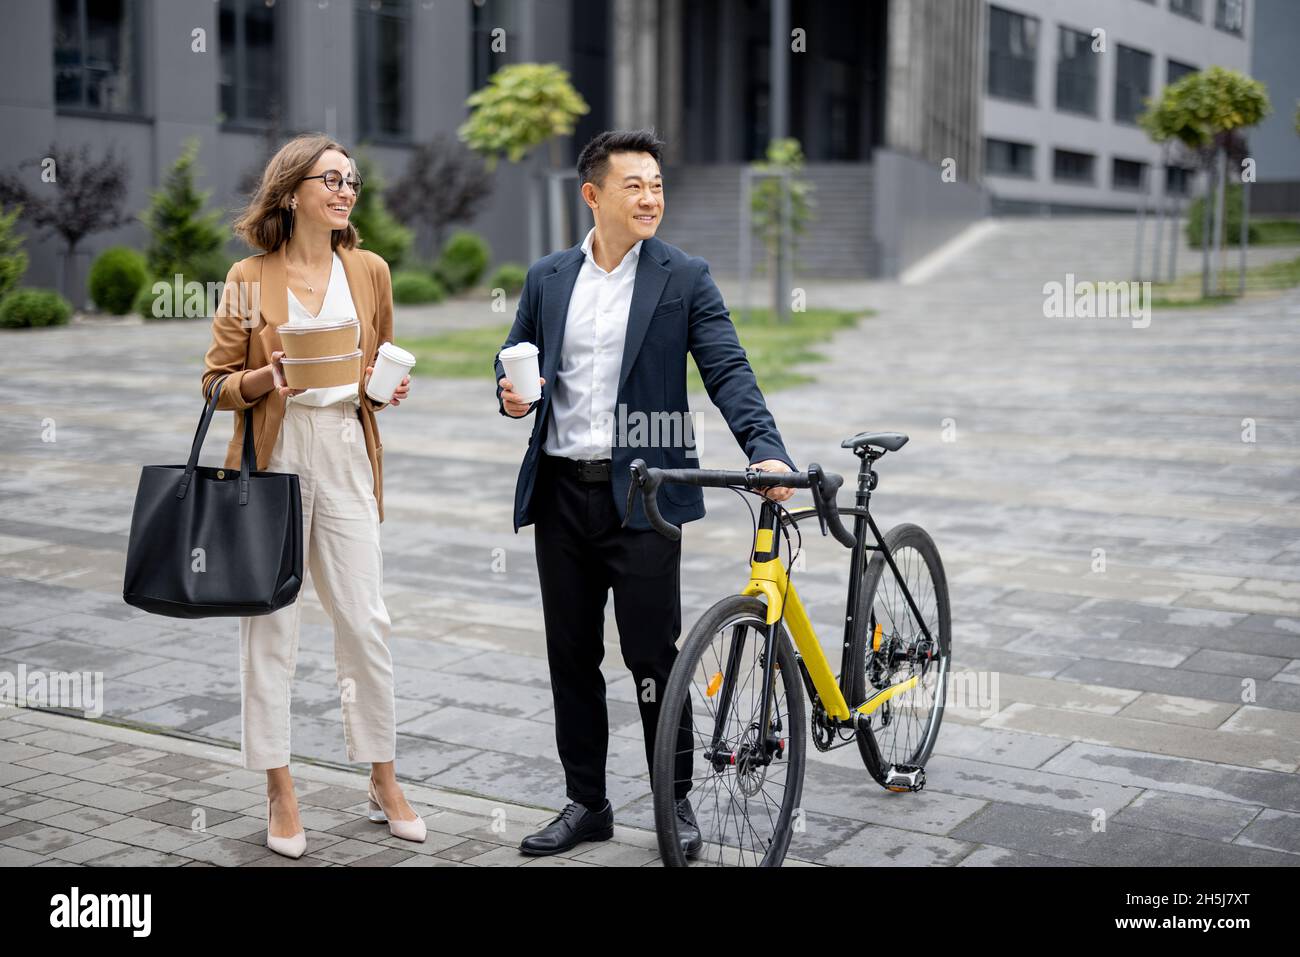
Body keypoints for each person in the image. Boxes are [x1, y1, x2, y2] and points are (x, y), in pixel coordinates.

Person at [494, 129, 797, 857]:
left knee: (655, 657)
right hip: (563, 494)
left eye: (657, 184)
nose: (651, 196)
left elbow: (728, 367)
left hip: (644, 497)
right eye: (635, 184)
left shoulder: (682, 277)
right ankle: (586, 803)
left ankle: (677, 799)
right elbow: (513, 359)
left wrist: (766, 448)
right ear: (593, 195)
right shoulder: (548, 277)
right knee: (570, 653)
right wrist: (508, 396)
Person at [202, 133, 422, 858]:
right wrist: (265, 380)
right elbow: (215, 383)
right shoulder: (246, 276)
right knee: (271, 627)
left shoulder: (368, 269)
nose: (345, 190)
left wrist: (384, 389)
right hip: (275, 454)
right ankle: (279, 786)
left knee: (366, 620)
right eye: (331, 178)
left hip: (346, 451)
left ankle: (383, 776)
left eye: (352, 181)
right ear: (293, 188)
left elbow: (377, 358)